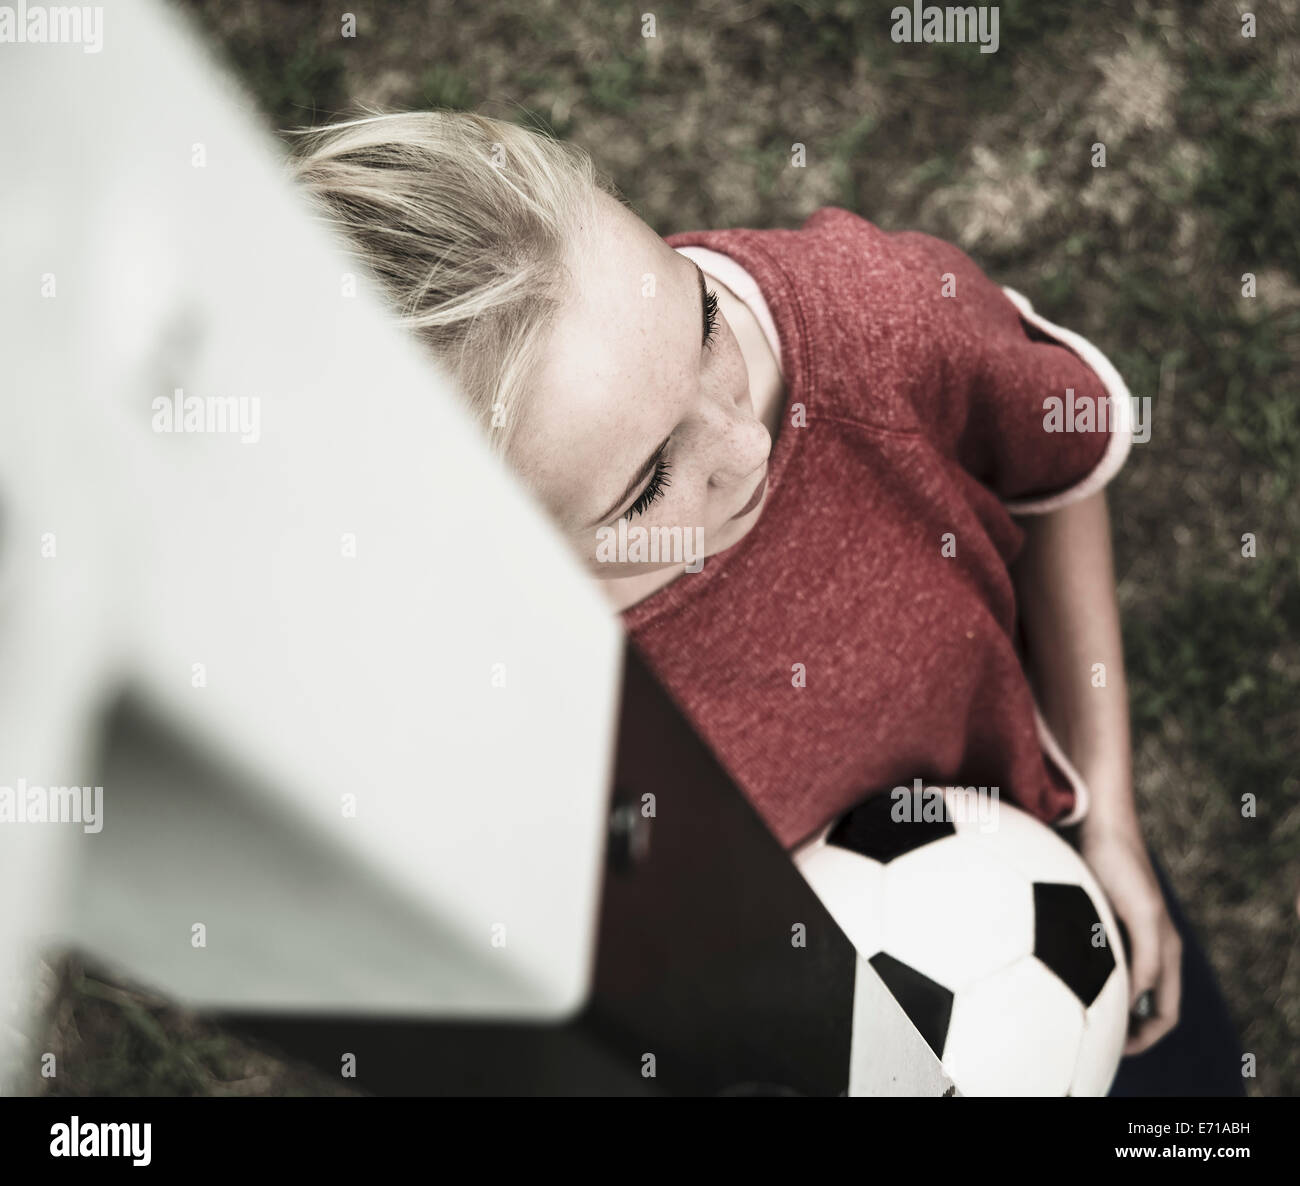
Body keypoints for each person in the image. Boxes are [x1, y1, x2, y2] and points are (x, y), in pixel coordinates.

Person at [292, 109, 1244, 1094]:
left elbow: (1057, 467)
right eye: (649, 481)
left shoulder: (873, 324)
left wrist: (1111, 814)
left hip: (1040, 891)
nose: (746, 443)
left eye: (703, 323)